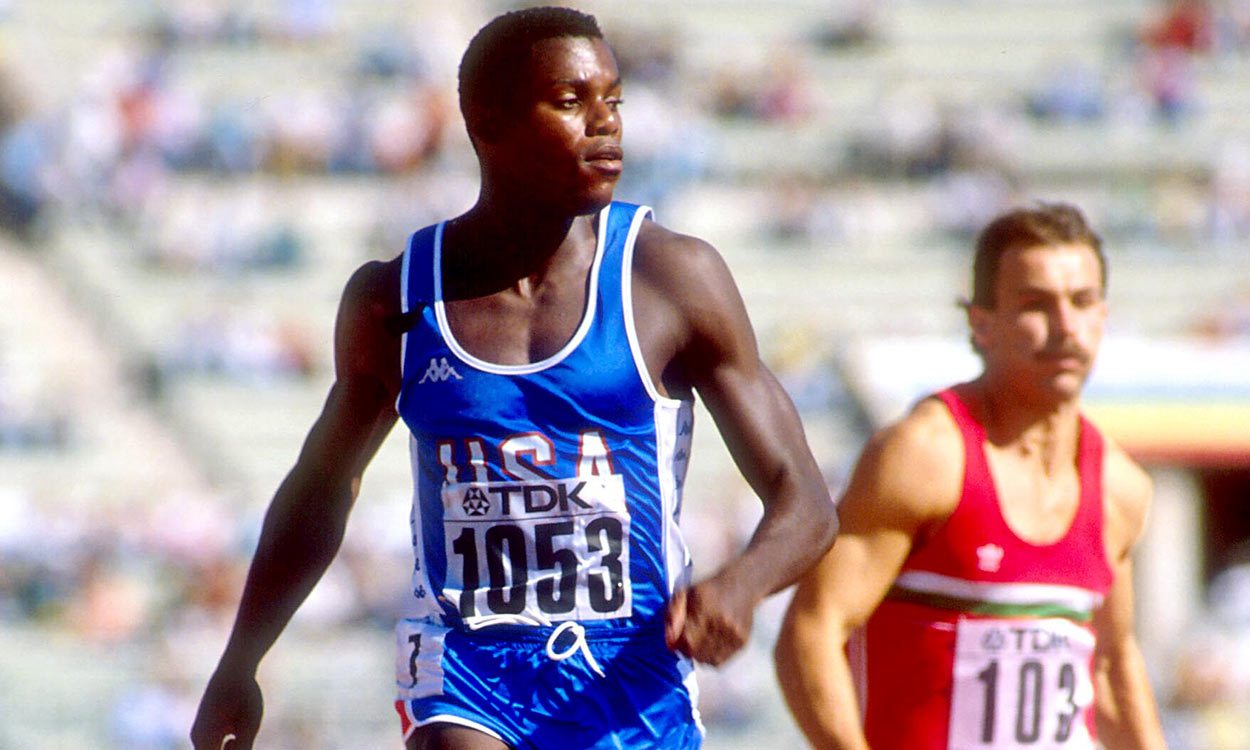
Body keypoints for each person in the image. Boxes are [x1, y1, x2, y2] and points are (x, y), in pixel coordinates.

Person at [190, 7, 837, 750]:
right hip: (467, 670)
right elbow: (322, 485)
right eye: (571, 102)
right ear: (485, 124)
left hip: (630, 674)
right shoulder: (398, 298)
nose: (606, 125)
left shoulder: (671, 279)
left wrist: (742, 584)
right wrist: (241, 659)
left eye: (614, 100)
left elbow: (807, 500)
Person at [774, 203, 1167, 750]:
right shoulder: (925, 455)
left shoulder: (1120, 487)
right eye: (1036, 305)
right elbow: (810, 633)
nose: (1065, 327)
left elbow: (1109, 669)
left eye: (1082, 301)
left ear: (1104, 313)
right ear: (982, 323)